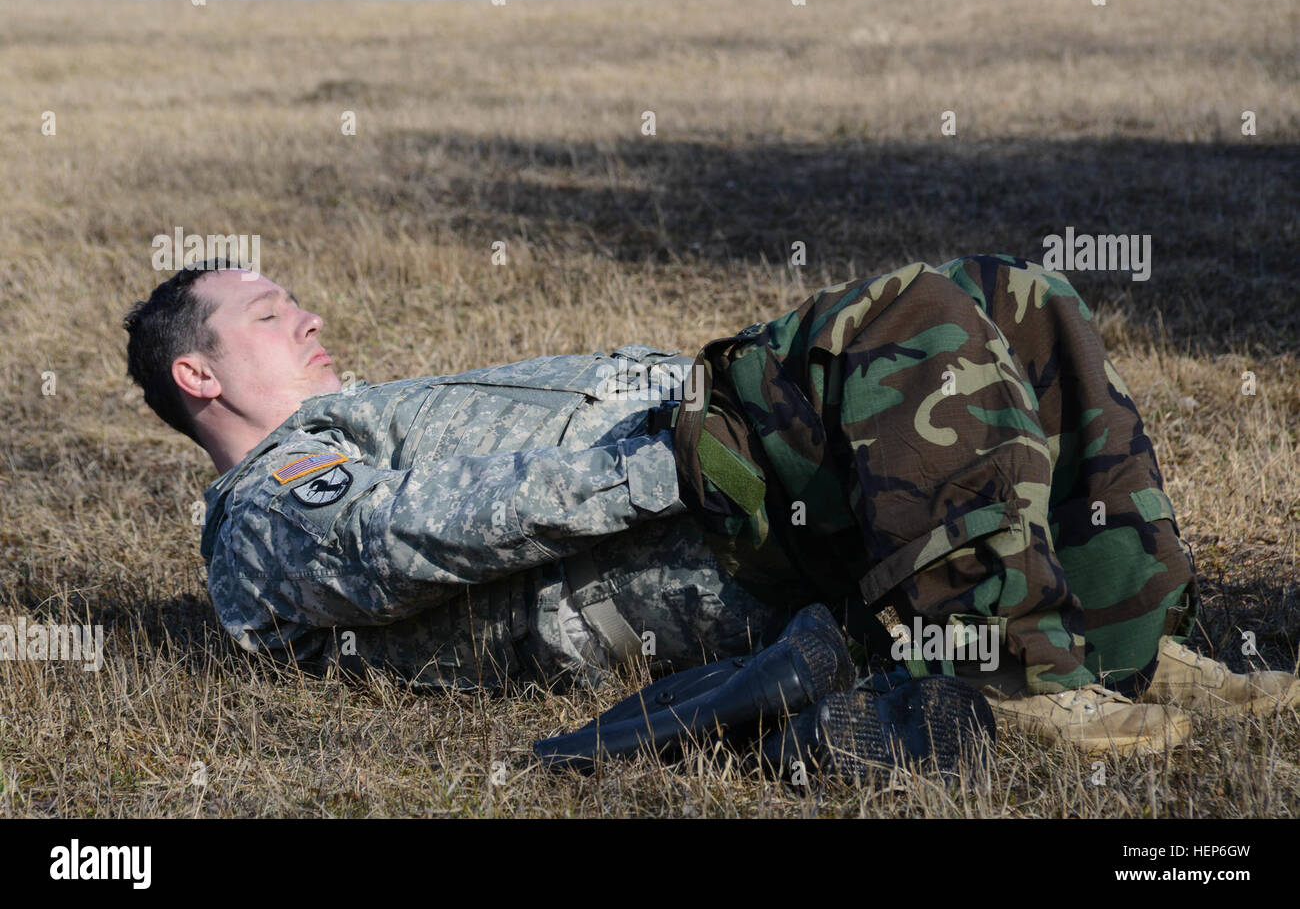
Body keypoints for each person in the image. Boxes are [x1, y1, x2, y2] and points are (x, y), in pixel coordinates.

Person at [122, 256, 1299, 757]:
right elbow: (387, 544)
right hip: (691, 521)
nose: (310, 317)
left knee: (1015, 299)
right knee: (914, 310)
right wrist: (663, 465)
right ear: (199, 374)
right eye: (271, 314)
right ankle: (1005, 663)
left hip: (711, 454)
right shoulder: (266, 503)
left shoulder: (374, 407)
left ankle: (1125, 640)